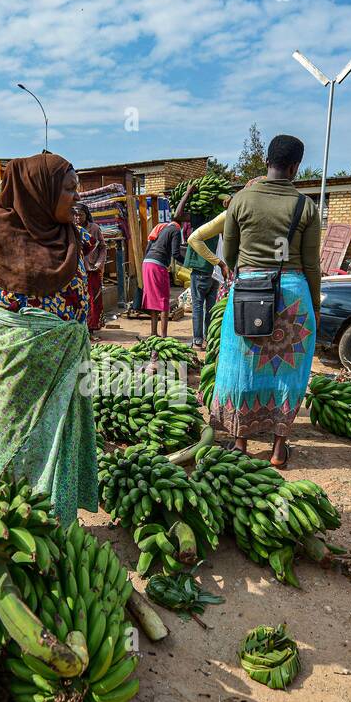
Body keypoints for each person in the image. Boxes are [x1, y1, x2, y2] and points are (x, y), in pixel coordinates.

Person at [0, 153, 98, 526]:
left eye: (76, 189)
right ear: (40, 191)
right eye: (69, 189)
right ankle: (17, 524)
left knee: (63, 439)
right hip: (19, 360)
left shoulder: (66, 233)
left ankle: (59, 524)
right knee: (17, 441)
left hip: (68, 356)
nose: (75, 197)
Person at [212, 135, 321, 468]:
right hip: (292, 296)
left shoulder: (241, 201)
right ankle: (277, 448)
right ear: (295, 166)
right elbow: (311, 262)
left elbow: (228, 254)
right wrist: (313, 305)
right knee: (287, 371)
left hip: (248, 293)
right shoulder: (306, 206)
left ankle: (240, 442)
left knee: (241, 365)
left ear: (267, 161)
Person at [184, 190, 231, 348]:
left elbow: (177, 215)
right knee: (211, 308)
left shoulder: (199, 224)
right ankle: (211, 339)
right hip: (215, 273)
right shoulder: (218, 222)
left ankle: (198, 340)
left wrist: (188, 194)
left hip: (201, 272)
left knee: (197, 306)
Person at [140, 194, 188, 338]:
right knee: (163, 301)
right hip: (157, 265)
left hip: (147, 264)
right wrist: (189, 264)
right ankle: (164, 336)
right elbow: (175, 253)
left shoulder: (161, 227)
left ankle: (154, 333)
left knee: (153, 300)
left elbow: (148, 248)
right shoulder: (175, 230)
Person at [73, 202, 107, 337]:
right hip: (77, 270)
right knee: (79, 299)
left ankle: (91, 328)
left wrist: (99, 264)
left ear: (86, 215)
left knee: (94, 299)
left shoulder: (94, 228)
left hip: (92, 269)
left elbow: (103, 247)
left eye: (80, 215)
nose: (77, 218)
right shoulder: (71, 229)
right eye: (75, 216)